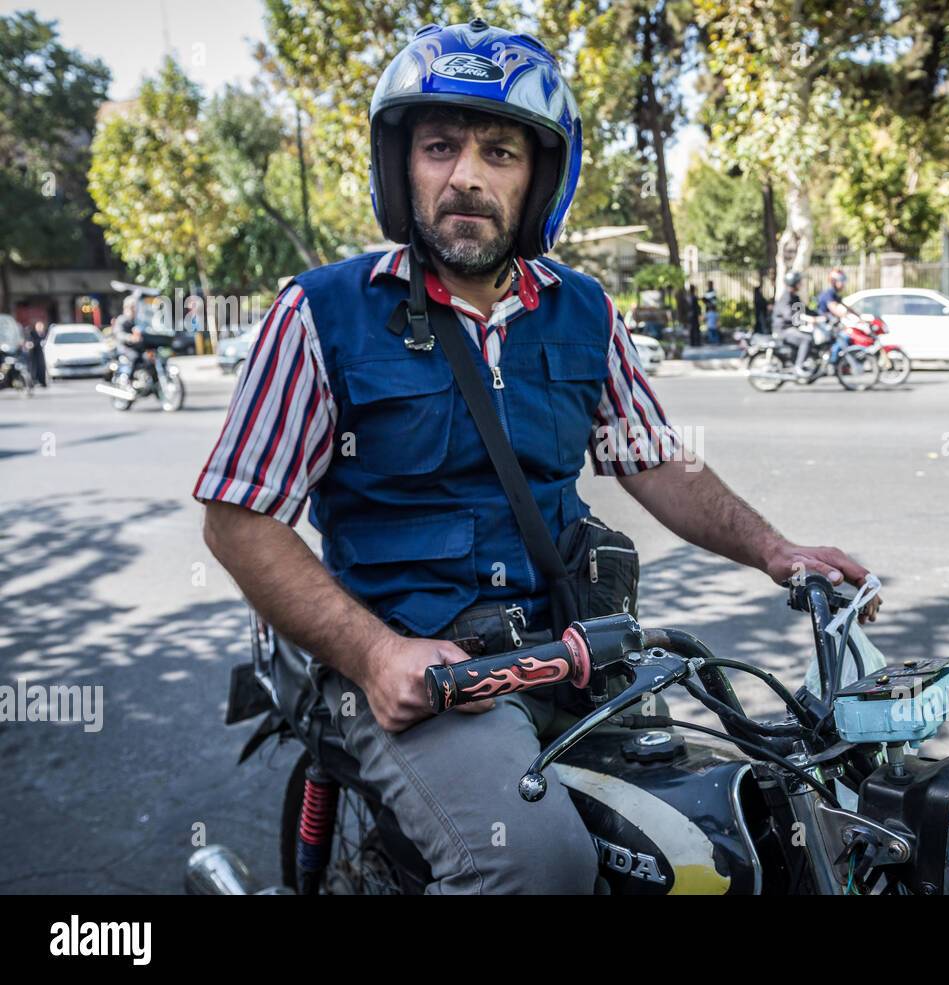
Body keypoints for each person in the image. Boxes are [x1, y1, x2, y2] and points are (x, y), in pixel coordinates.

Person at [194, 19, 882, 896]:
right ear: (403, 168)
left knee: (723, 824)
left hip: (572, 646)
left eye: (500, 152)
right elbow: (236, 516)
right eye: (440, 147)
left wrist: (778, 551)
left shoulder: (584, 310)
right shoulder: (321, 315)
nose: (467, 176)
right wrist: (373, 655)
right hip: (418, 667)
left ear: (540, 178)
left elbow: (656, 458)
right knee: (537, 860)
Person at [772, 270, 815, 375]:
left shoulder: (794, 296)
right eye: (799, 282)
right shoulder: (786, 297)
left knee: (811, 336)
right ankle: (798, 366)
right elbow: (789, 316)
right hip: (783, 330)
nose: (801, 284)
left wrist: (822, 315)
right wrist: (807, 320)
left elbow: (804, 309)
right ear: (793, 283)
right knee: (806, 339)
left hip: (791, 329)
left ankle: (804, 362)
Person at [23, 320, 48, 387]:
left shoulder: (46, 334)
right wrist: (31, 344)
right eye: (38, 326)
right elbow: (29, 341)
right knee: (33, 368)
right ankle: (33, 381)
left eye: (41, 326)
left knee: (42, 367)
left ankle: (42, 381)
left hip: (41, 354)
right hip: (33, 354)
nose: (39, 328)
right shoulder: (32, 333)